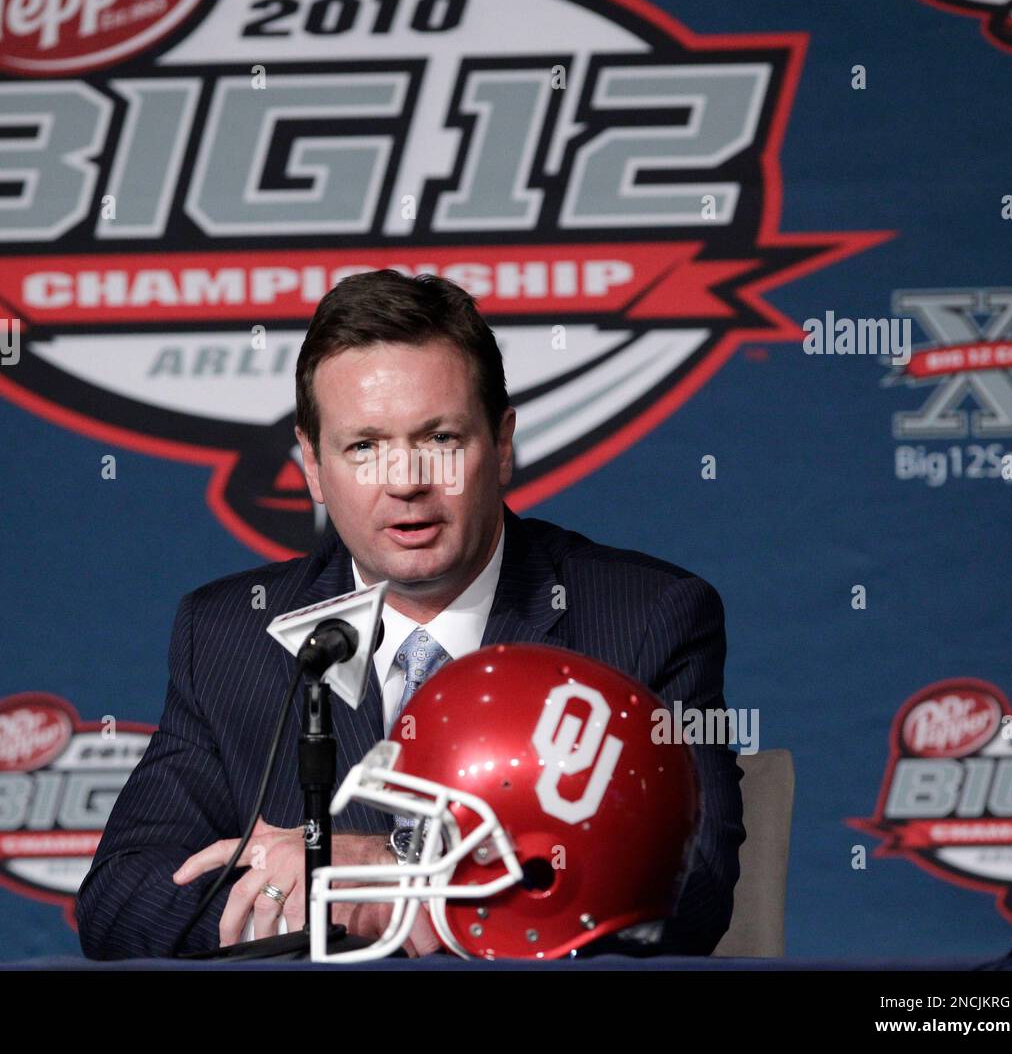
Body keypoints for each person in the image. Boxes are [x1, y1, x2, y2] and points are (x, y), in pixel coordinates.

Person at [76, 269, 745, 959]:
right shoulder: (229, 635)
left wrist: (402, 871)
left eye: (440, 441)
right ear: (312, 464)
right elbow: (121, 903)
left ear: (503, 443)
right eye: (363, 446)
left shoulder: (642, 619)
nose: (405, 482)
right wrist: (301, 894)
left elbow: (689, 890)